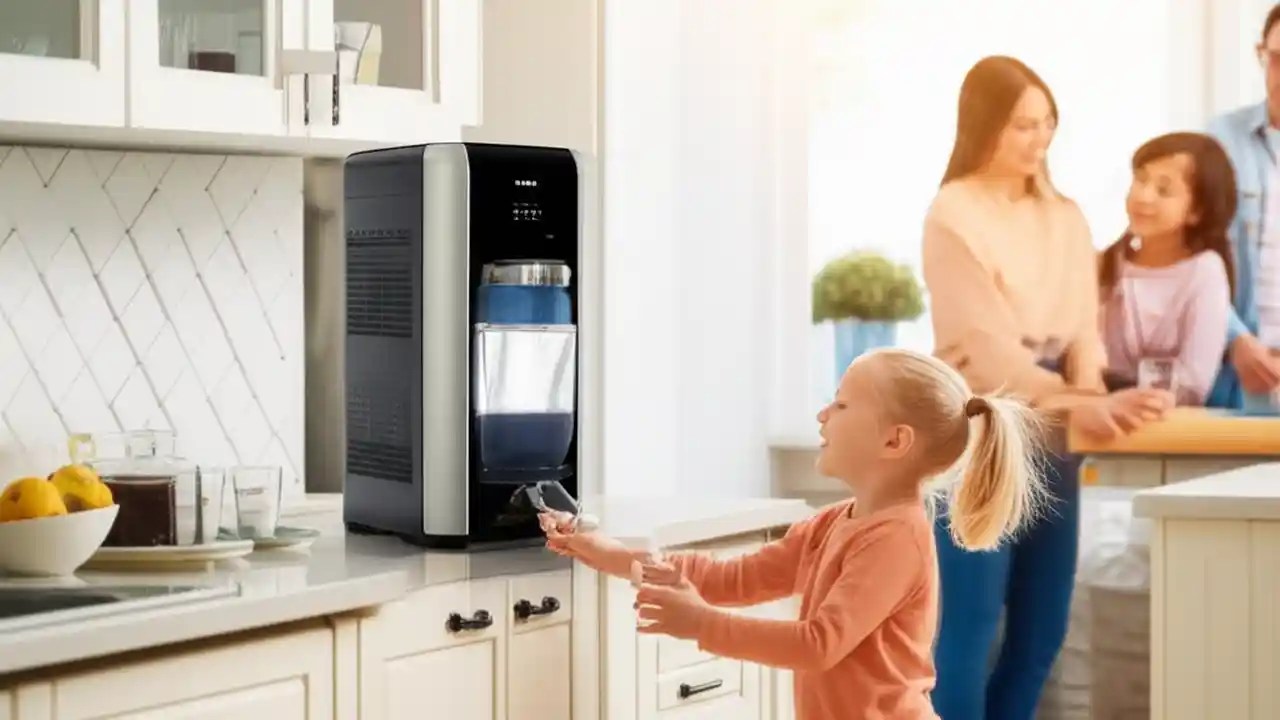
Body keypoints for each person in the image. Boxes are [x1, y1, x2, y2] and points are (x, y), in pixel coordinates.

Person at [542, 348, 1052, 720]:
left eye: (843, 405)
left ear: (895, 441)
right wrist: (603, 551)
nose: (823, 414)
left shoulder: (896, 539)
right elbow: (731, 579)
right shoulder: (834, 523)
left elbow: (817, 645)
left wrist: (700, 623)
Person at [920, 55, 1173, 720]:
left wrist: (1090, 397)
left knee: (1041, 631)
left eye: (1047, 124)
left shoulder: (1065, 215)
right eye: (1022, 126)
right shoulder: (953, 212)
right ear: (983, 129)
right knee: (971, 629)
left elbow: (1086, 328)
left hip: (1056, 437)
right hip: (983, 437)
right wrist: (1082, 401)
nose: (1039, 140)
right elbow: (984, 348)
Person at [1098, 132, 1238, 405]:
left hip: (1170, 431)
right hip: (1102, 423)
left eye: (1163, 189)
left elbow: (1195, 383)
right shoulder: (1105, 264)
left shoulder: (1205, 271)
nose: (1143, 196)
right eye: (1140, 179)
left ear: (1196, 211)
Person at [1204, 2, 1280, 408]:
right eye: (1278, 60)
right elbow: (1191, 251)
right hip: (1240, 368)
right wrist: (1235, 339)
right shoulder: (1220, 140)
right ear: (1260, 55)